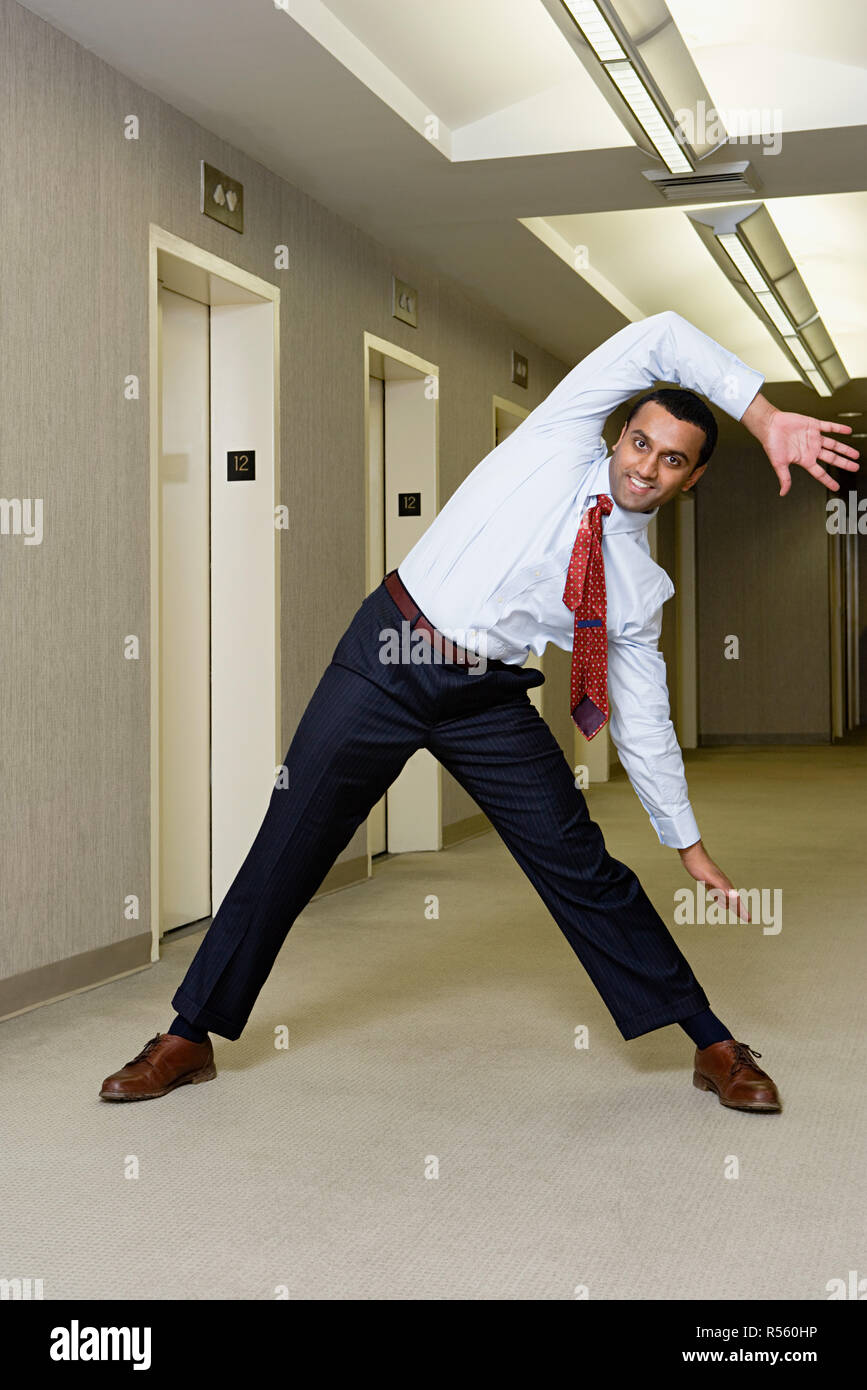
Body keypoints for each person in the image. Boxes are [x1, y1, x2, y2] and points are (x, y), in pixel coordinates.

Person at [100, 310, 858, 1112]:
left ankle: (712, 1044)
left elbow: (641, 719)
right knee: (289, 840)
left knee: (582, 865)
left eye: (673, 460)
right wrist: (764, 414)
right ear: (617, 434)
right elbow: (661, 333)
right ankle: (188, 1035)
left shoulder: (638, 586)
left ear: (690, 478)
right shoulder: (557, 437)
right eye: (641, 443)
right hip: (388, 653)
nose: (647, 467)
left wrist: (687, 841)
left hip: (484, 698)